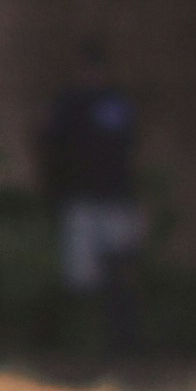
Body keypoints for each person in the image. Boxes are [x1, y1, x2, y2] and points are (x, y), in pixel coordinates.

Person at [41, 47, 146, 334]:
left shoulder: (116, 102)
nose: (92, 74)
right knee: (82, 279)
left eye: (97, 68)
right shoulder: (68, 103)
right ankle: (82, 337)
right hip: (81, 197)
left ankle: (122, 336)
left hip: (114, 197)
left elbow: (127, 146)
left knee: (120, 267)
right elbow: (52, 147)